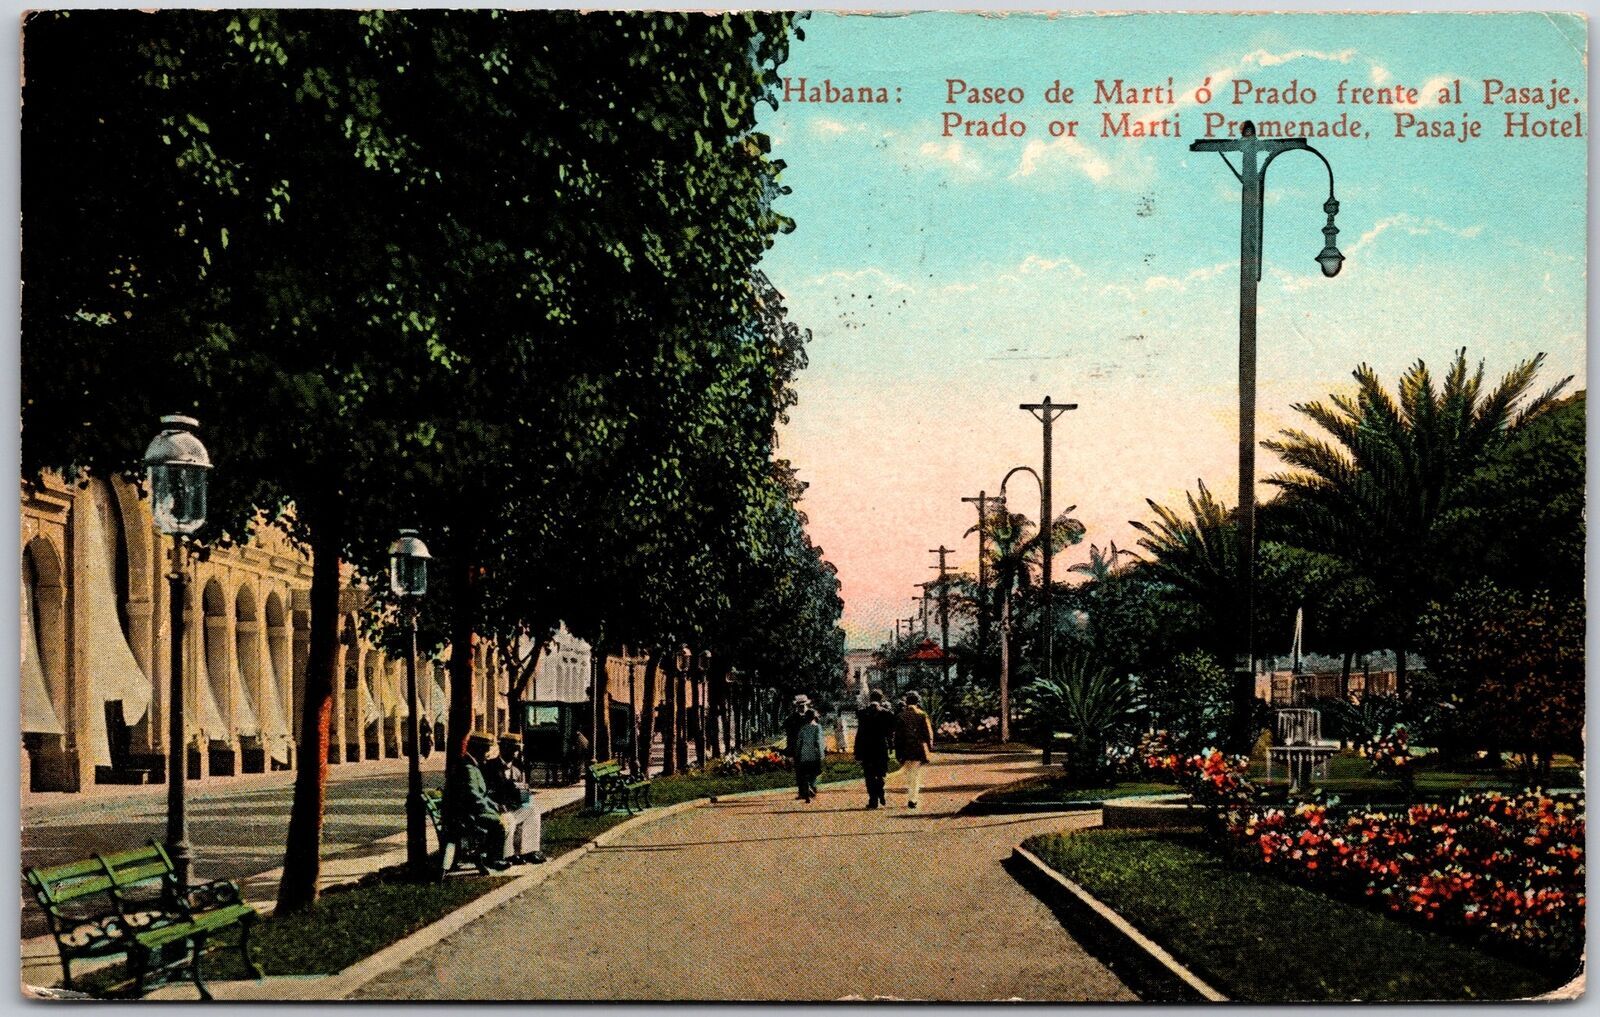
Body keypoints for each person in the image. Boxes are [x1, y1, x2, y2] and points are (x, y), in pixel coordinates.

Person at [448, 732, 512, 870]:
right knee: (498, 823)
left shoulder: (471, 765)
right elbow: (473, 795)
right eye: (485, 750)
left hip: (468, 812)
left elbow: (482, 795)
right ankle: (493, 859)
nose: (487, 754)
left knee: (499, 820)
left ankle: (493, 857)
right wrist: (490, 810)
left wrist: (494, 805)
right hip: (466, 815)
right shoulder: (468, 768)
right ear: (478, 750)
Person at [483, 732, 545, 864]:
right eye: (513, 749)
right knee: (508, 819)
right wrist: (497, 804)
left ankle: (530, 851)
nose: (516, 752)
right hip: (495, 810)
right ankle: (508, 855)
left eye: (517, 749)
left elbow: (524, 798)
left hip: (512, 809)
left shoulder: (517, 771)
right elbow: (485, 792)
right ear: (503, 748)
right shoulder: (489, 767)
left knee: (533, 810)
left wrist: (525, 796)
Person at [854, 689, 896, 809]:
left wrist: (857, 751)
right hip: (881, 747)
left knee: (869, 774)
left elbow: (860, 733)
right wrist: (891, 744)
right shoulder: (887, 713)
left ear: (870, 699)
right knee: (881, 772)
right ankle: (880, 790)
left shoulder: (862, 713)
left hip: (867, 748)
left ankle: (873, 799)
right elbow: (891, 731)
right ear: (881, 699)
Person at [894, 692, 935, 809]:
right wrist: (930, 747)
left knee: (909, 774)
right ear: (918, 702)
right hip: (918, 748)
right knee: (915, 774)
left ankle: (912, 796)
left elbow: (898, 736)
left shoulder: (901, 716)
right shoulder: (922, 715)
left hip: (905, 748)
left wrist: (897, 750)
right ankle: (913, 798)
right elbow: (928, 733)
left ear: (906, 702)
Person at [794, 709, 825, 803]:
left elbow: (799, 742)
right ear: (815, 717)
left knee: (806, 772)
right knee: (815, 772)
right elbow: (818, 742)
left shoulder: (803, 728)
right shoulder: (817, 727)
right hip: (814, 753)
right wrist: (821, 754)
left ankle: (807, 788)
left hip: (804, 753)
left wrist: (798, 753)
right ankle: (811, 786)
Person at [784, 694, 811, 800]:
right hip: (797, 748)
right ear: (796, 706)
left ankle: (810, 788)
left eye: (804, 705)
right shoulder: (791, 719)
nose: (802, 707)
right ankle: (802, 791)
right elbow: (789, 736)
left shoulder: (812, 717)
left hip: (809, 748)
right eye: (800, 706)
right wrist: (789, 751)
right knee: (799, 771)